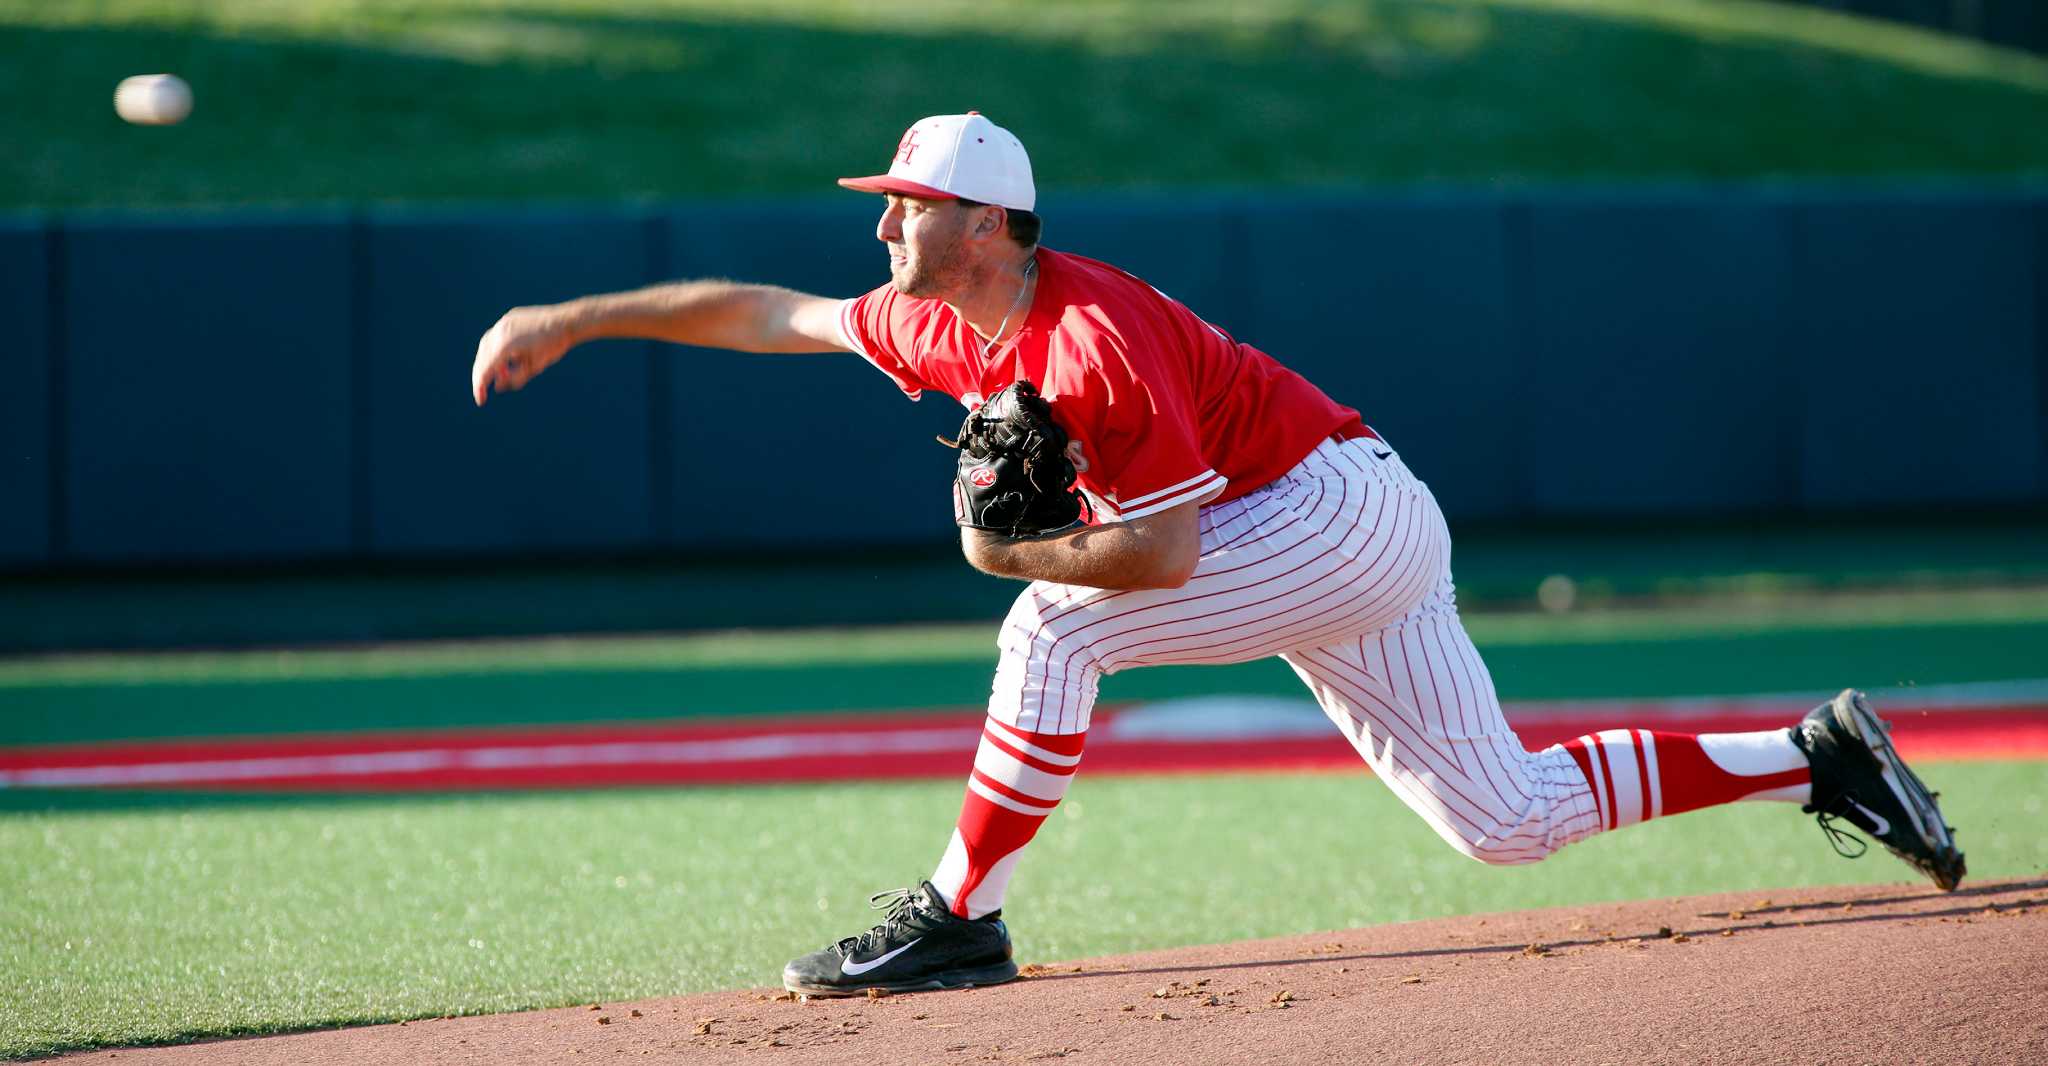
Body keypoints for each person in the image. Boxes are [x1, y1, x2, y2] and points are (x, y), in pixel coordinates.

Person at [469, 112, 1965, 998]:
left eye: (907, 205)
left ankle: (958, 916)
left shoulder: (1091, 334)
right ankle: (1814, 750)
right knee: (1504, 817)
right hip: (1339, 513)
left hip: (1316, 509)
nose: (885, 225)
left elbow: (1170, 552)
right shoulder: (942, 317)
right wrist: (571, 319)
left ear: (990, 219)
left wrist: (1019, 552)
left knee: (1050, 630)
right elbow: (766, 312)